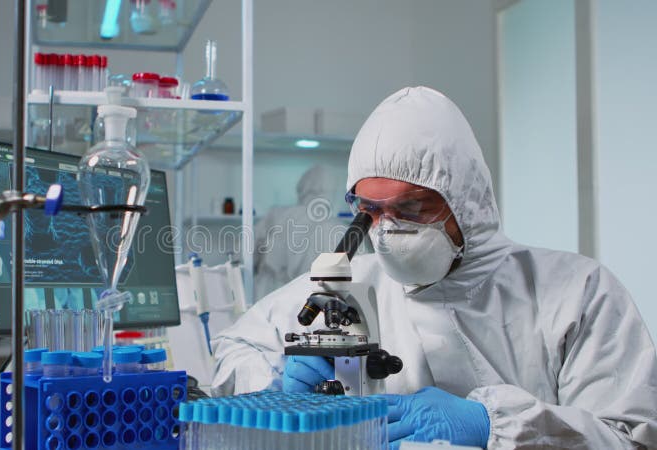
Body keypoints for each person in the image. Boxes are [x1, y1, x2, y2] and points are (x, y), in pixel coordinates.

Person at [211, 87, 657, 449]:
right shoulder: (353, 283)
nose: (388, 230)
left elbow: (631, 438)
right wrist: (275, 386)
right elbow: (234, 346)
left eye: (411, 208)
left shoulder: (578, 292)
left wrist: (497, 427)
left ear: (465, 201)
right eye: (371, 211)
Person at [253, 164, 344, 299]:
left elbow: (244, 257)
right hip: (311, 298)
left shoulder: (276, 215)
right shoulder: (337, 228)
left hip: (271, 294)